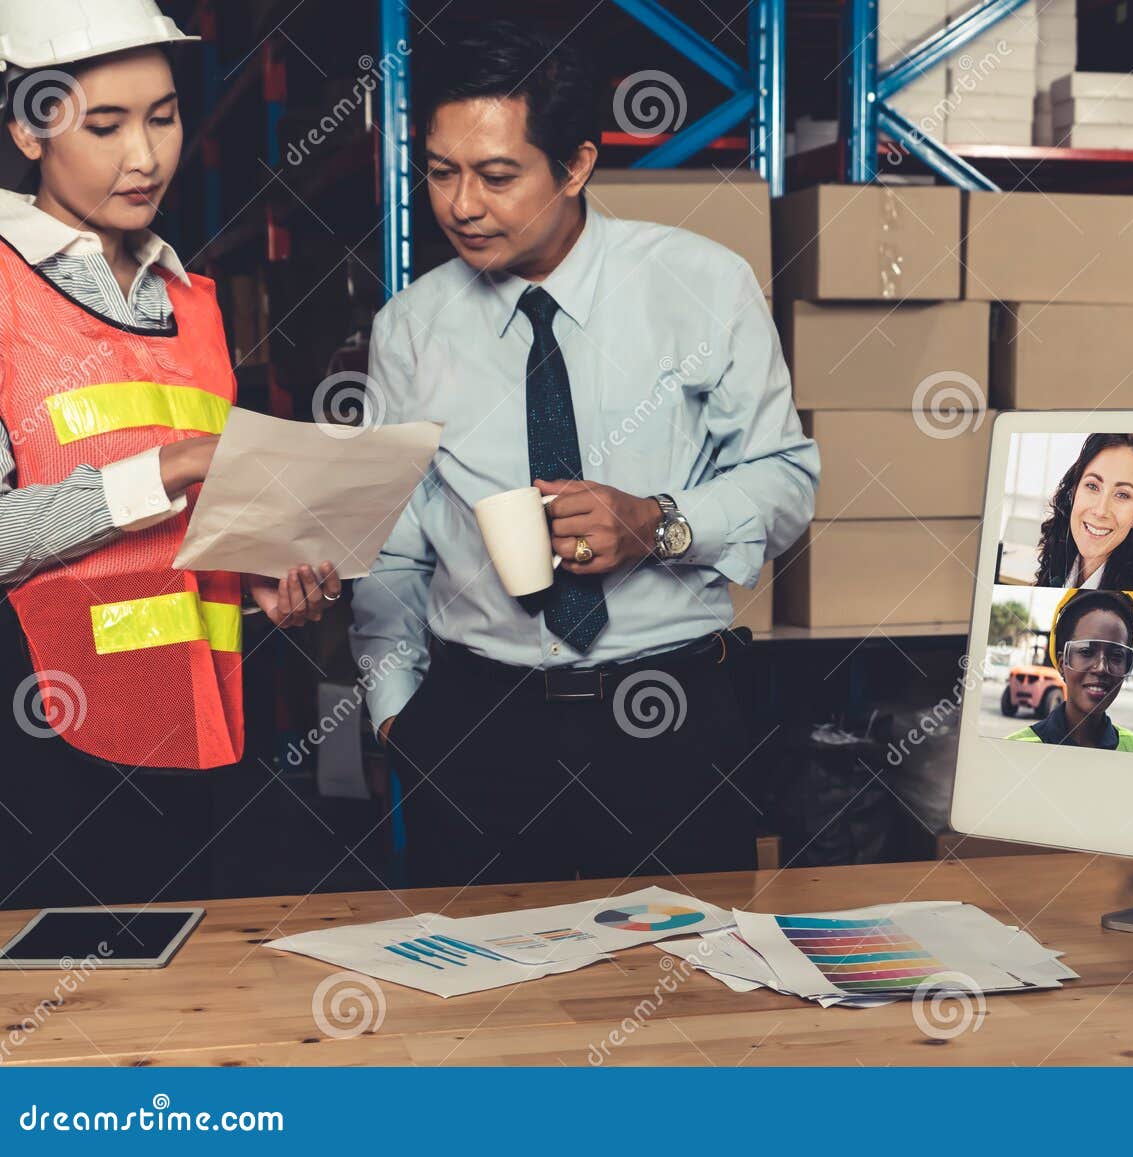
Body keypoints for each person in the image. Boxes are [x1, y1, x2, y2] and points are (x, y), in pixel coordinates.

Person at [350, 23, 819, 889]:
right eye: (441, 171)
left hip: (670, 721)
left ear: (575, 166)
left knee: (692, 996)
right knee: (483, 1011)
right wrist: (394, 712)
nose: (461, 205)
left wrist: (660, 525)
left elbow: (788, 479)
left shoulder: (701, 284)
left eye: (496, 176)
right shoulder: (408, 330)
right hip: (477, 728)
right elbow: (393, 543)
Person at [0, 0, 338, 911]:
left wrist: (258, 575)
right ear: (28, 131)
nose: (144, 156)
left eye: (162, 116)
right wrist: (171, 467)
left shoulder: (192, 300)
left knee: (192, 1019)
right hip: (37, 748)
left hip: (199, 738)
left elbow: (187, 532)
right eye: (104, 125)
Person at [1008, 588, 1133, 751]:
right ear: (1062, 664)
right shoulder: (1016, 748)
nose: (1101, 668)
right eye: (1086, 652)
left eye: (1116, 656)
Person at [1034, 433, 1133, 592]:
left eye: (1122, 495)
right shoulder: (1057, 559)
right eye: (1092, 486)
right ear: (1073, 490)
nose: (1100, 511)